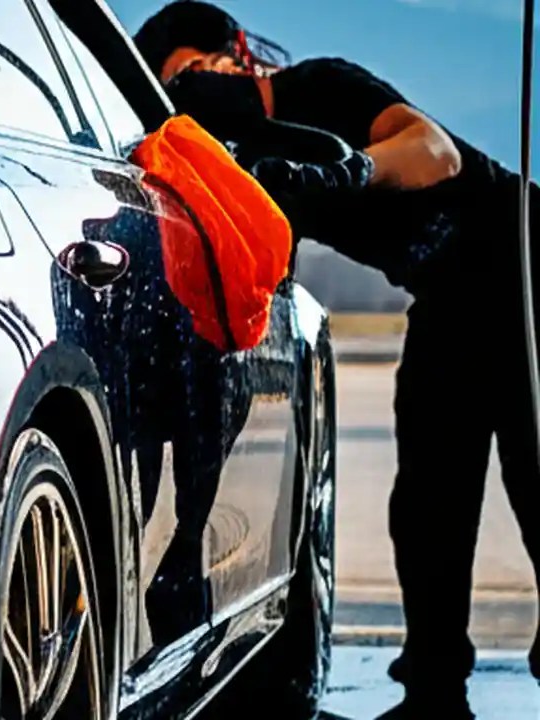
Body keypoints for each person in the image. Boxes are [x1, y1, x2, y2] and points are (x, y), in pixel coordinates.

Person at [133, 2, 540, 718]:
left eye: (198, 69)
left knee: (539, 481)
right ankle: (434, 693)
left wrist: (353, 168)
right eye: (176, 84)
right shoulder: (253, 164)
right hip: (449, 297)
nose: (193, 88)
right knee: (427, 501)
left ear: (237, 57)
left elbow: (433, 151)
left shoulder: (319, 88)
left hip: (528, 264)